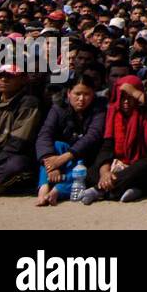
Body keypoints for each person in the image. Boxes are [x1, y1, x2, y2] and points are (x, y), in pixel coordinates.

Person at [82, 75, 147, 204]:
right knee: (91, 172)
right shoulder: (114, 115)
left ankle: (99, 190)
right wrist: (105, 173)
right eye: (122, 98)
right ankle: (129, 189)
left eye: (130, 98)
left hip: (145, 163)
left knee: (145, 166)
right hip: (120, 164)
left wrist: (136, 93)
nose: (126, 102)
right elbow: (107, 147)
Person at [35, 74, 106, 206]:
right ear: (68, 93)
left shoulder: (99, 109)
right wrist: (52, 164)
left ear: (93, 95)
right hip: (61, 155)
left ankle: (57, 190)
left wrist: (64, 158)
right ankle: (44, 187)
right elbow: (45, 135)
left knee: (81, 170)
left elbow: (93, 136)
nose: (81, 99)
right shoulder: (58, 108)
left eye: (87, 94)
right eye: (77, 94)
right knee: (56, 145)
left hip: (86, 155)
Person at [0, 65, 42, 196]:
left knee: (17, 165)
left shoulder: (28, 102)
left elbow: (18, 143)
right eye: (1, 75)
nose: (4, 79)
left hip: (8, 157)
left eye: (10, 76)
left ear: (23, 79)